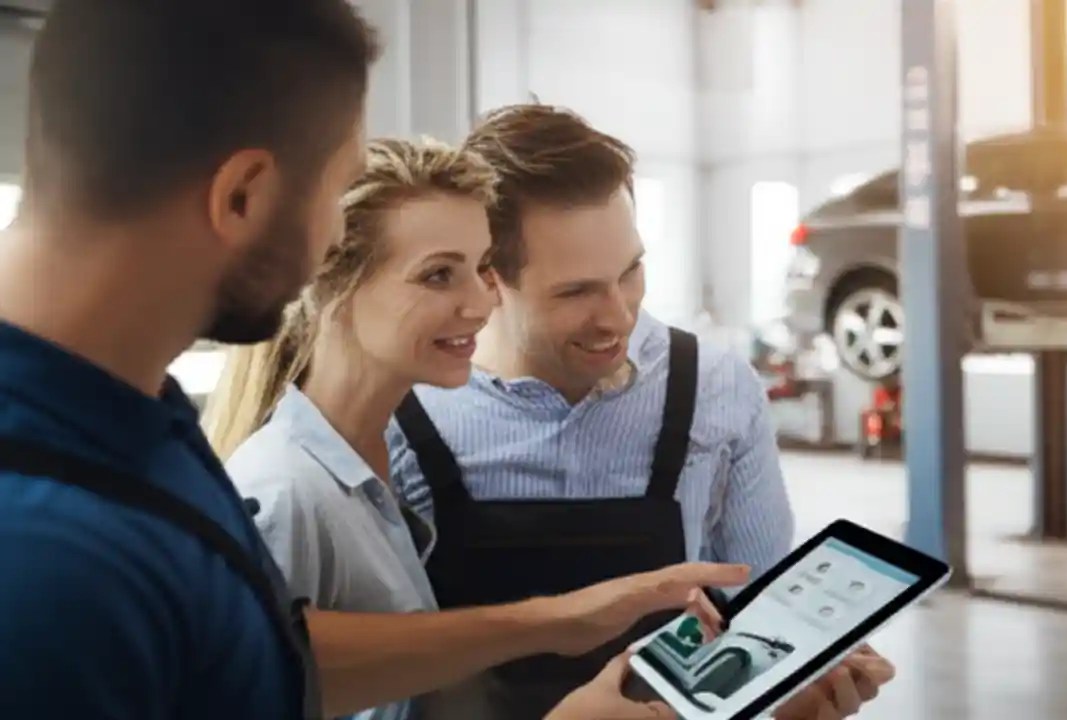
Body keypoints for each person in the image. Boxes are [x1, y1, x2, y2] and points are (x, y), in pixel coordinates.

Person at [0, 4, 739, 719]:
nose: (332, 237)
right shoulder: (55, 556)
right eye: (338, 187)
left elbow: (262, 657)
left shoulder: (126, 426)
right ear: (245, 196)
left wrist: (552, 620)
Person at [387, 104, 897, 717]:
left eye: (630, 272)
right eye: (577, 291)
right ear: (488, 278)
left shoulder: (716, 388)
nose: (620, 315)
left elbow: (755, 631)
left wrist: (796, 699)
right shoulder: (406, 410)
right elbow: (370, 678)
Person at [204, 136, 739, 719]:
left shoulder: (368, 475)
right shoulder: (286, 497)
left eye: (482, 268)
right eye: (438, 275)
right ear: (329, 281)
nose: (483, 304)